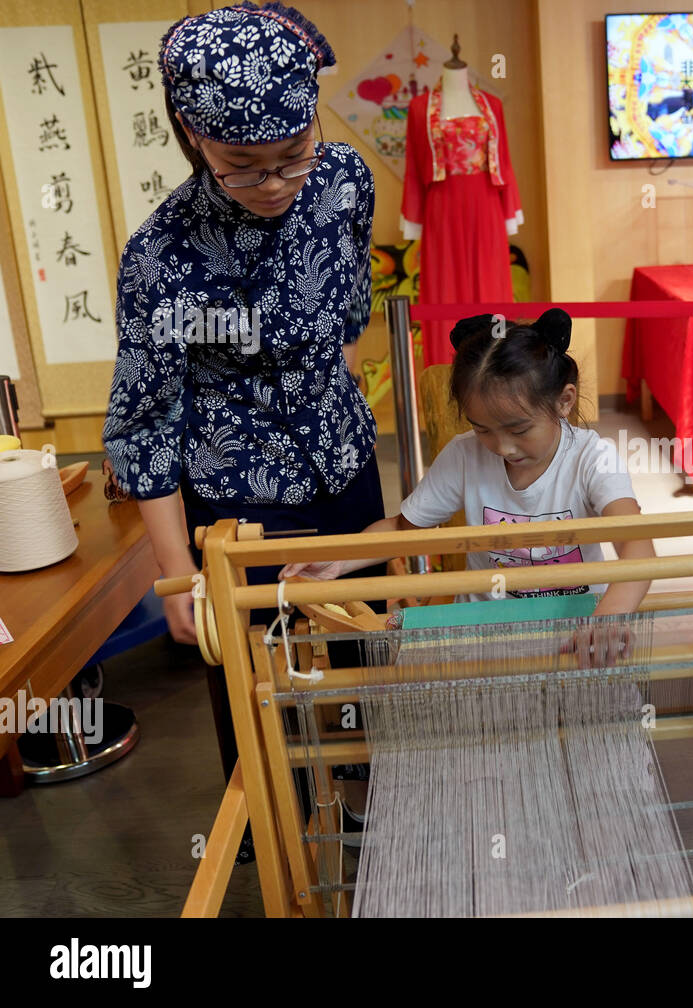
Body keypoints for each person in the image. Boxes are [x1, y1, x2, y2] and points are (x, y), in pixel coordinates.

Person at [101, 3, 385, 850]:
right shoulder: (161, 258)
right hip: (238, 500)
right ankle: (280, 831)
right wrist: (179, 570)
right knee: (258, 685)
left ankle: (374, 802)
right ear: (192, 133)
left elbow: (350, 312)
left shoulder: (343, 182)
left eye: (292, 157)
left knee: (363, 643)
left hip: (343, 463)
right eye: (243, 168)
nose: (273, 186)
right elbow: (147, 423)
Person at [282, 308, 656, 667]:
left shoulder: (593, 459)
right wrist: (334, 562)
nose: (503, 447)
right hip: (485, 633)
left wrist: (609, 617)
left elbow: (637, 546)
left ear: (564, 401)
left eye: (519, 429)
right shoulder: (465, 455)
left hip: (576, 631)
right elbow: (402, 529)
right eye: (483, 429)